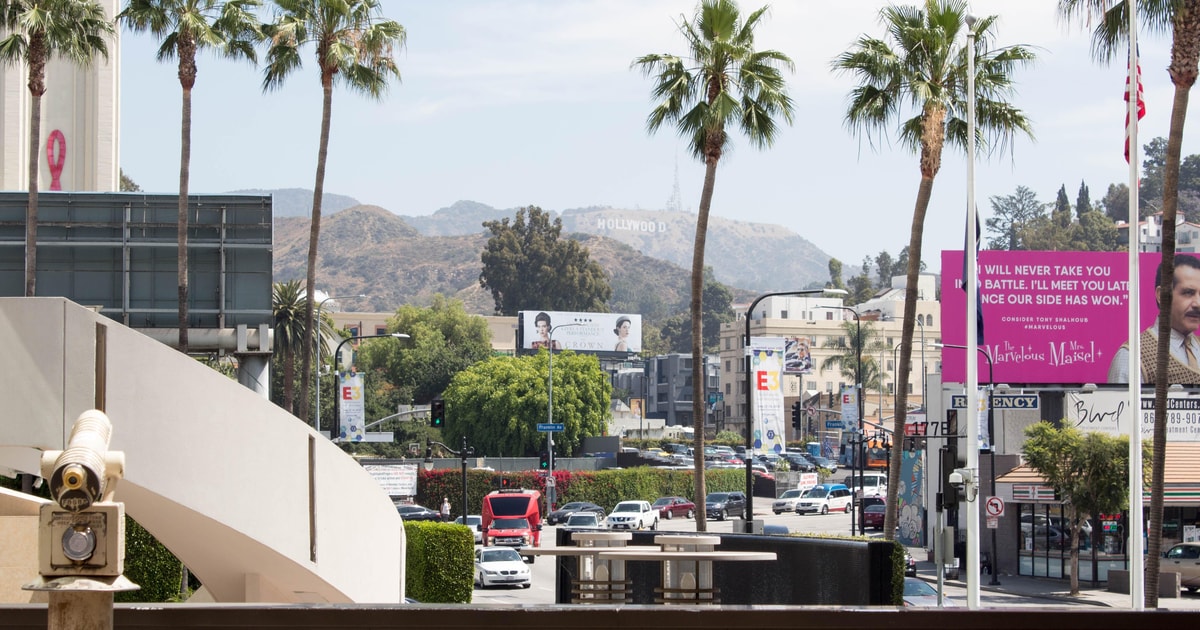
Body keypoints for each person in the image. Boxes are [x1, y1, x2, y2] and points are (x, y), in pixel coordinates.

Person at [1108, 254, 1200, 385]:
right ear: (1162, 295)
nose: (1198, 303)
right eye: (1188, 293)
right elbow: (1121, 405)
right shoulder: (1133, 357)